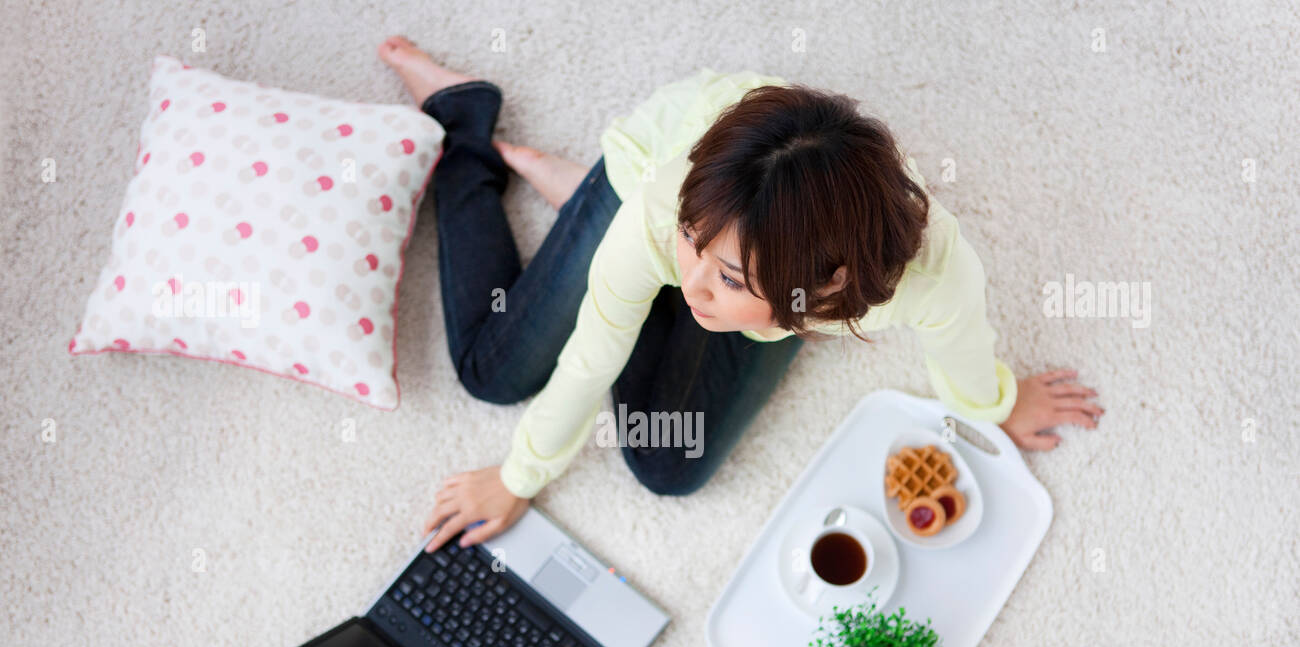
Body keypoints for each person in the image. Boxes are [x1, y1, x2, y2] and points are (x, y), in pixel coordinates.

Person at [375, 36, 1103, 553]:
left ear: (830, 288)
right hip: (649, 179)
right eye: (696, 254)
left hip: (756, 249)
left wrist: (997, 406)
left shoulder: (932, 273)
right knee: (494, 374)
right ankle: (465, 119)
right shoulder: (667, 215)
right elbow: (595, 358)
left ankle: (583, 220)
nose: (696, 284)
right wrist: (517, 476)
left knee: (669, 463)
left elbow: (962, 348)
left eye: (727, 280)